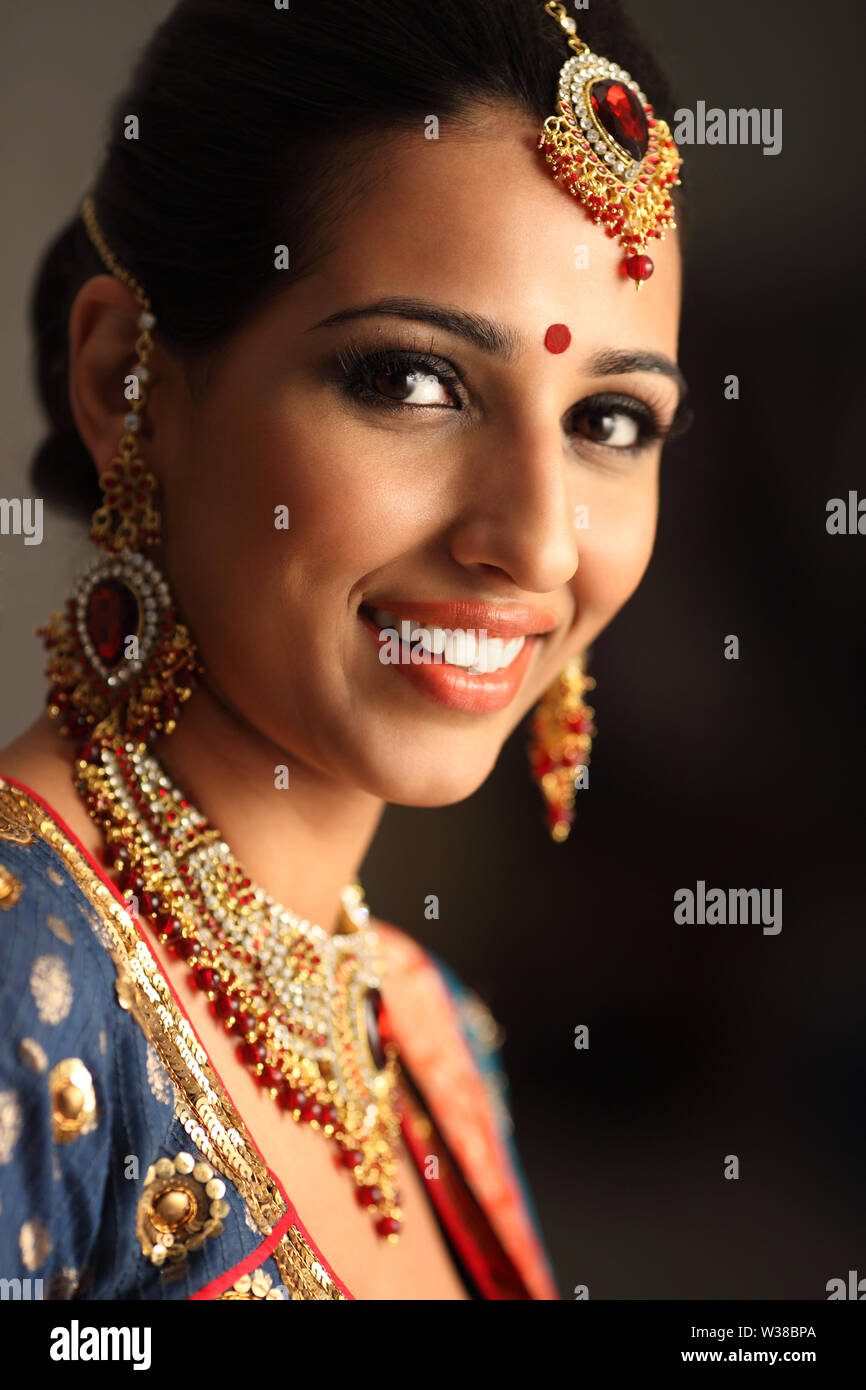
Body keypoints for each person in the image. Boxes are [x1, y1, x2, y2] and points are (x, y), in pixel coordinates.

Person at [0, 0, 690, 1300]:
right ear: (122, 383)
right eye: (411, 381)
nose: (535, 541)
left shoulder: (429, 1035)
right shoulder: (25, 996)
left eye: (608, 415)